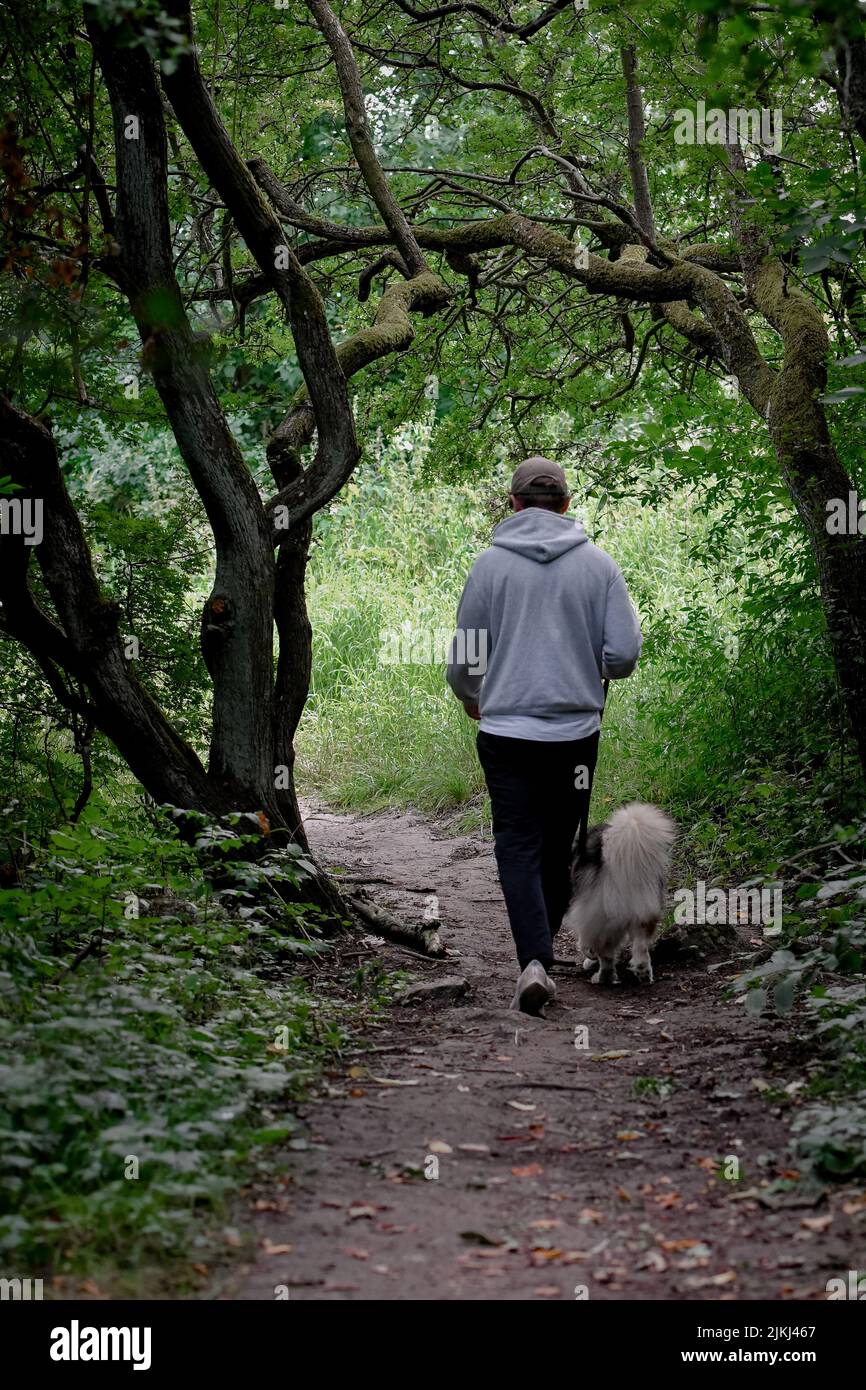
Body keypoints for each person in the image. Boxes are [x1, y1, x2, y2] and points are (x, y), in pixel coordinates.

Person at [446, 456, 643, 1014]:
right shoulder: (598, 565)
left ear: (513, 504)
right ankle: (542, 952)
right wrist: (593, 667)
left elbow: (465, 659)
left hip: (505, 731)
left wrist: (471, 695)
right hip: (576, 733)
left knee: (516, 841)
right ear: (565, 503)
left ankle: (533, 962)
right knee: (559, 846)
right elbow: (624, 654)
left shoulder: (488, 566)